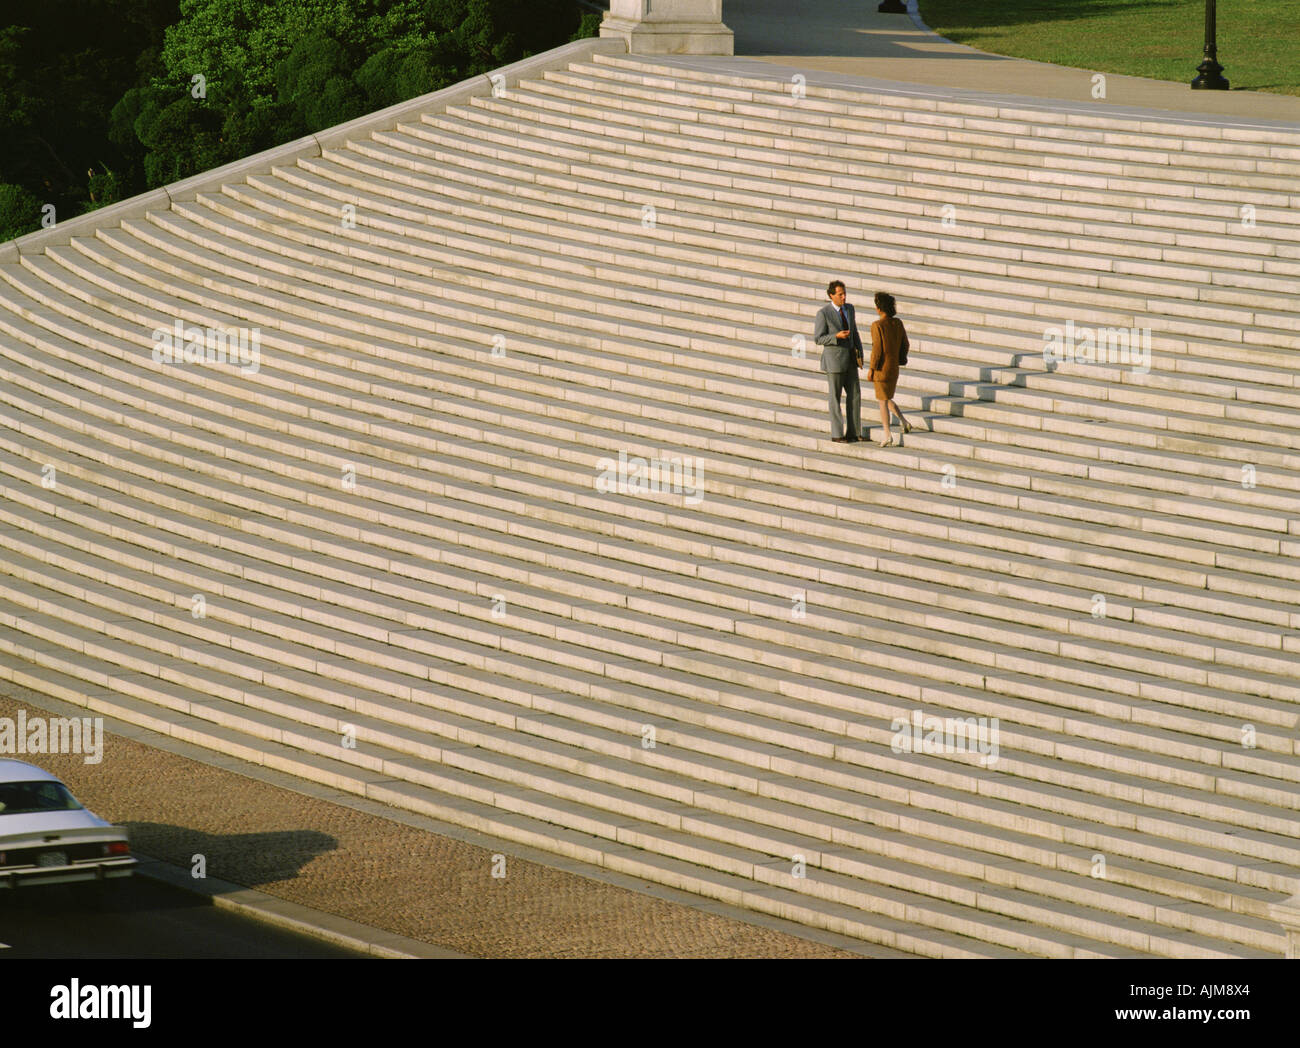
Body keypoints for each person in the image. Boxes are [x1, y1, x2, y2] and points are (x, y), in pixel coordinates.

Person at [813, 280, 863, 443]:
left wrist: (860, 353)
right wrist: (836, 336)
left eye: (844, 293)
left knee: (855, 395)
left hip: (850, 359)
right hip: (834, 361)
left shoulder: (850, 309)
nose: (844, 297)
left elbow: (855, 332)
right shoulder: (823, 313)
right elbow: (818, 338)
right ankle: (837, 434)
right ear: (831, 295)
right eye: (840, 294)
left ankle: (854, 432)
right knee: (835, 398)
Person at [868, 291, 912, 447]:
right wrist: (901, 359)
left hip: (881, 369)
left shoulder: (877, 325)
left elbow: (877, 350)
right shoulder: (897, 323)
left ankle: (887, 434)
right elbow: (906, 344)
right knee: (886, 398)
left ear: (879, 308)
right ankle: (904, 422)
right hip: (893, 368)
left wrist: (872, 368)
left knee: (882, 401)